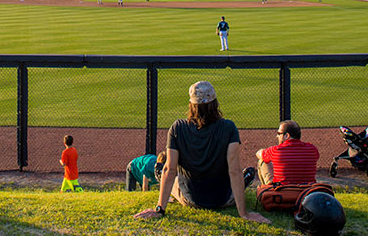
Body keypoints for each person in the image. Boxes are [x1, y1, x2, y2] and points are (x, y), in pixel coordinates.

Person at [134, 81, 269, 223]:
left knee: (162, 169)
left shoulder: (178, 128)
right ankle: (243, 182)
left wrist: (160, 209)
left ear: (191, 105)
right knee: (245, 173)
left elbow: (170, 169)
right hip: (223, 200)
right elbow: (234, 170)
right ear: (215, 103)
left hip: (189, 199)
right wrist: (244, 214)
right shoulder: (229, 127)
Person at [255, 120, 318, 185]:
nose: (277, 136)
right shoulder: (312, 149)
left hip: (282, 191)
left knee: (262, 161)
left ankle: (268, 187)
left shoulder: (276, 150)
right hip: (307, 190)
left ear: (286, 136)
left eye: (279, 134)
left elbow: (258, 153)